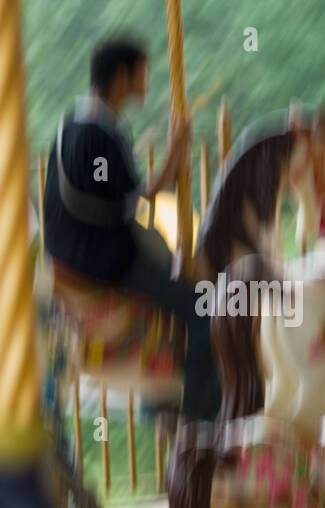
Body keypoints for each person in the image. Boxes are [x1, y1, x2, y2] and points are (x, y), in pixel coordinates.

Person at [42, 38, 220, 424]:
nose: (147, 82)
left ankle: (162, 399)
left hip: (71, 251)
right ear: (122, 76)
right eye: (143, 73)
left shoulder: (72, 123)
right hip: (101, 259)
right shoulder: (100, 135)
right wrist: (174, 151)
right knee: (207, 311)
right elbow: (141, 201)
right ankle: (200, 424)